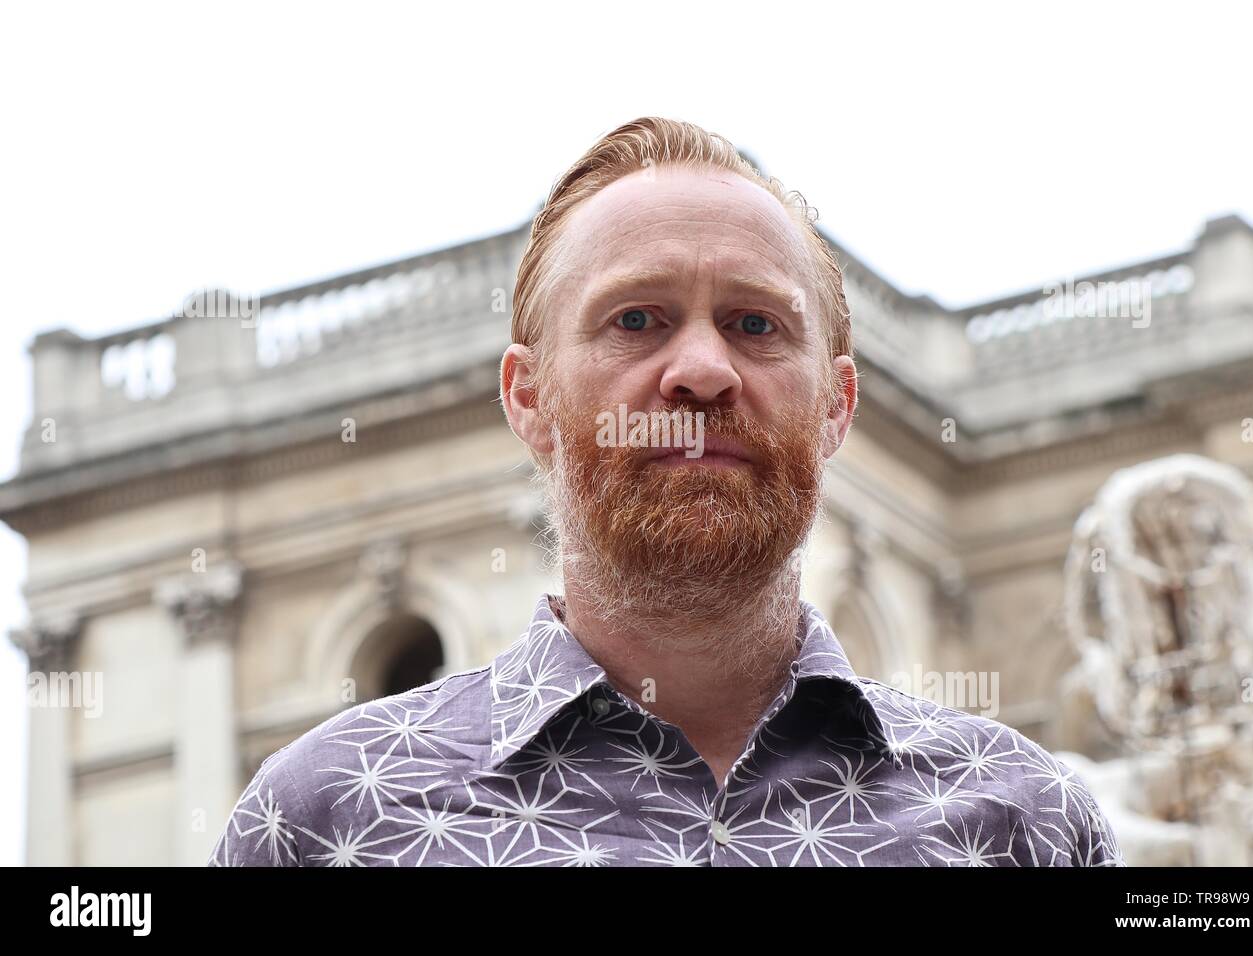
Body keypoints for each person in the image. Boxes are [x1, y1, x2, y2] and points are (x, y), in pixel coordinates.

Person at [209, 117, 1125, 866]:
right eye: (636, 319)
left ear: (838, 405)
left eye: (755, 323)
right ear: (528, 398)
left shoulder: (1030, 826)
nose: (700, 372)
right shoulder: (322, 821)